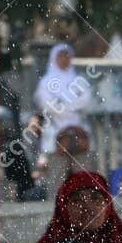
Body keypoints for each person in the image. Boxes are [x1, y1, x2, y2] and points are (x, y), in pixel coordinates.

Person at [34, 44, 94, 186]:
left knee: (83, 177)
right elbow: (49, 105)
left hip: (78, 132)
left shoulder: (78, 80)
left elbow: (86, 100)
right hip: (55, 132)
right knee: (57, 179)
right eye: (61, 56)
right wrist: (70, 105)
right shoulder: (46, 82)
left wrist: (64, 104)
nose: (64, 59)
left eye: (67, 55)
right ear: (54, 58)